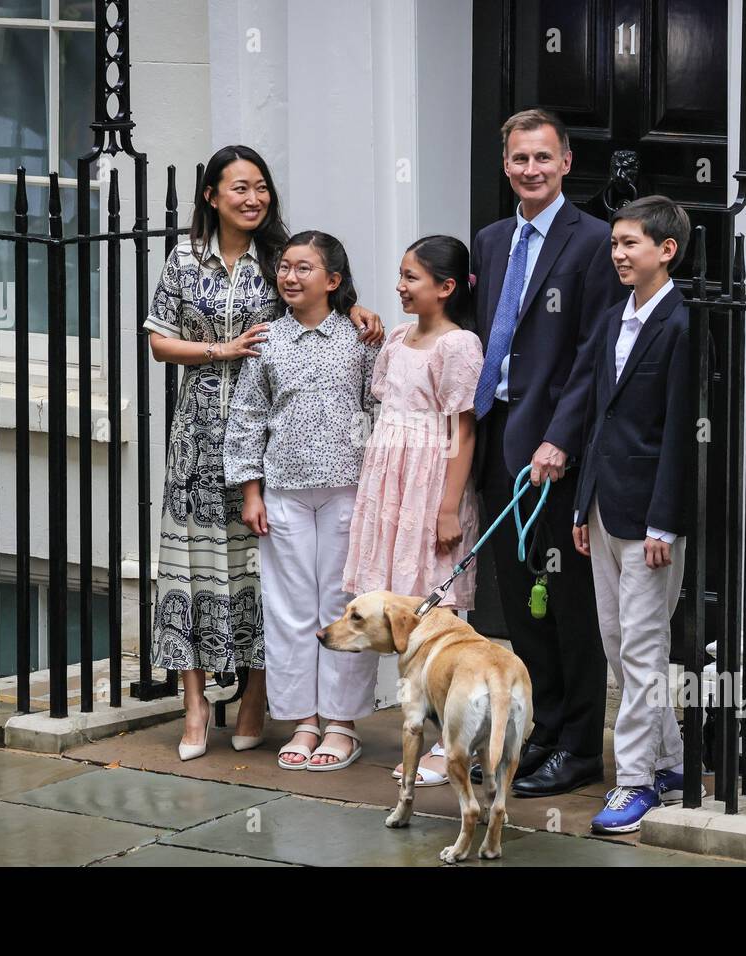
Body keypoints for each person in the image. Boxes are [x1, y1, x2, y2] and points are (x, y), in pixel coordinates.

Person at [145, 146, 383, 762]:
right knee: (196, 570)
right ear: (211, 195)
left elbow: (322, 297)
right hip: (202, 432)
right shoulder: (183, 259)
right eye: (240, 188)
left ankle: (262, 702)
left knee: (266, 579)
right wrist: (223, 351)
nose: (254, 199)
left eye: (262, 188)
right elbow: (159, 344)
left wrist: (355, 307)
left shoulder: (282, 260)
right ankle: (196, 706)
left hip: (288, 449)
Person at [470, 109, 624, 797]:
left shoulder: (594, 242)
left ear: (565, 163)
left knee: (567, 603)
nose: (530, 169)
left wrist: (560, 437)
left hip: (556, 449)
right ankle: (545, 733)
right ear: (505, 166)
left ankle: (582, 748)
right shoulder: (491, 240)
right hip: (498, 438)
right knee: (522, 603)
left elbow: (595, 354)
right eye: (518, 159)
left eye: (542, 158)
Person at [224, 231, 381, 771]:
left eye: (304, 268)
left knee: (343, 608)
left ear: (332, 281)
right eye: (285, 267)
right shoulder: (266, 341)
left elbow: (378, 410)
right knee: (289, 610)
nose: (290, 277)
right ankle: (303, 721)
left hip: (347, 491)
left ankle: (342, 723)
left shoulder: (360, 339)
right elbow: (247, 418)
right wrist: (251, 491)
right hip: (284, 491)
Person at [571, 195, 699, 833]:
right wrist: (581, 501)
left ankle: (636, 782)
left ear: (665, 250)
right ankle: (672, 760)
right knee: (618, 644)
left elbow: (680, 431)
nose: (617, 253)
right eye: (615, 243)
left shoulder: (682, 322)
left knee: (645, 648)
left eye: (630, 244)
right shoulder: (613, 313)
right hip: (603, 506)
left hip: (650, 518)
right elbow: (599, 415)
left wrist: (663, 523)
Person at [342, 235, 485, 787]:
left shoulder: (459, 346)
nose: (400, 286)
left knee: (437, 613)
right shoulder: (398, 338)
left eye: (412, 278)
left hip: (430, 485)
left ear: (446, 288)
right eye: (400, 274)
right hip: (390, 484)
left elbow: (463, 430)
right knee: (402, 610)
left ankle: (454, 740)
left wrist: (448, 508)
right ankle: (414, 729)